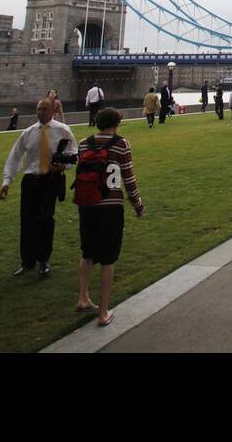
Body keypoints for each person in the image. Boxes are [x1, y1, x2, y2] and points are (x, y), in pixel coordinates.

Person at [72, 108, 145, 328]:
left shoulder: (84, 143)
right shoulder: (121, 144)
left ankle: (83, 297)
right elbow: (128, 178)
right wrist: (138, 205)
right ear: (117, 123)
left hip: (87, 205)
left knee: (87, 253)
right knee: (108, 259)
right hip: (111, 207)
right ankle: (103, 312)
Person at [0, 97, 78, 278]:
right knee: (27, 221)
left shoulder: (63, 130)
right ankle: (27, 261)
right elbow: (15, 156)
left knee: (45, 219)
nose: (41, 112)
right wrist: (6, 182)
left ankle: (43, 260)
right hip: (30, 180)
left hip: (50, 180)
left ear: (52, 111)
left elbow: (74, 154)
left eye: (44, 109)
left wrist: (63, 166)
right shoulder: (28, 133)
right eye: (39, 109)